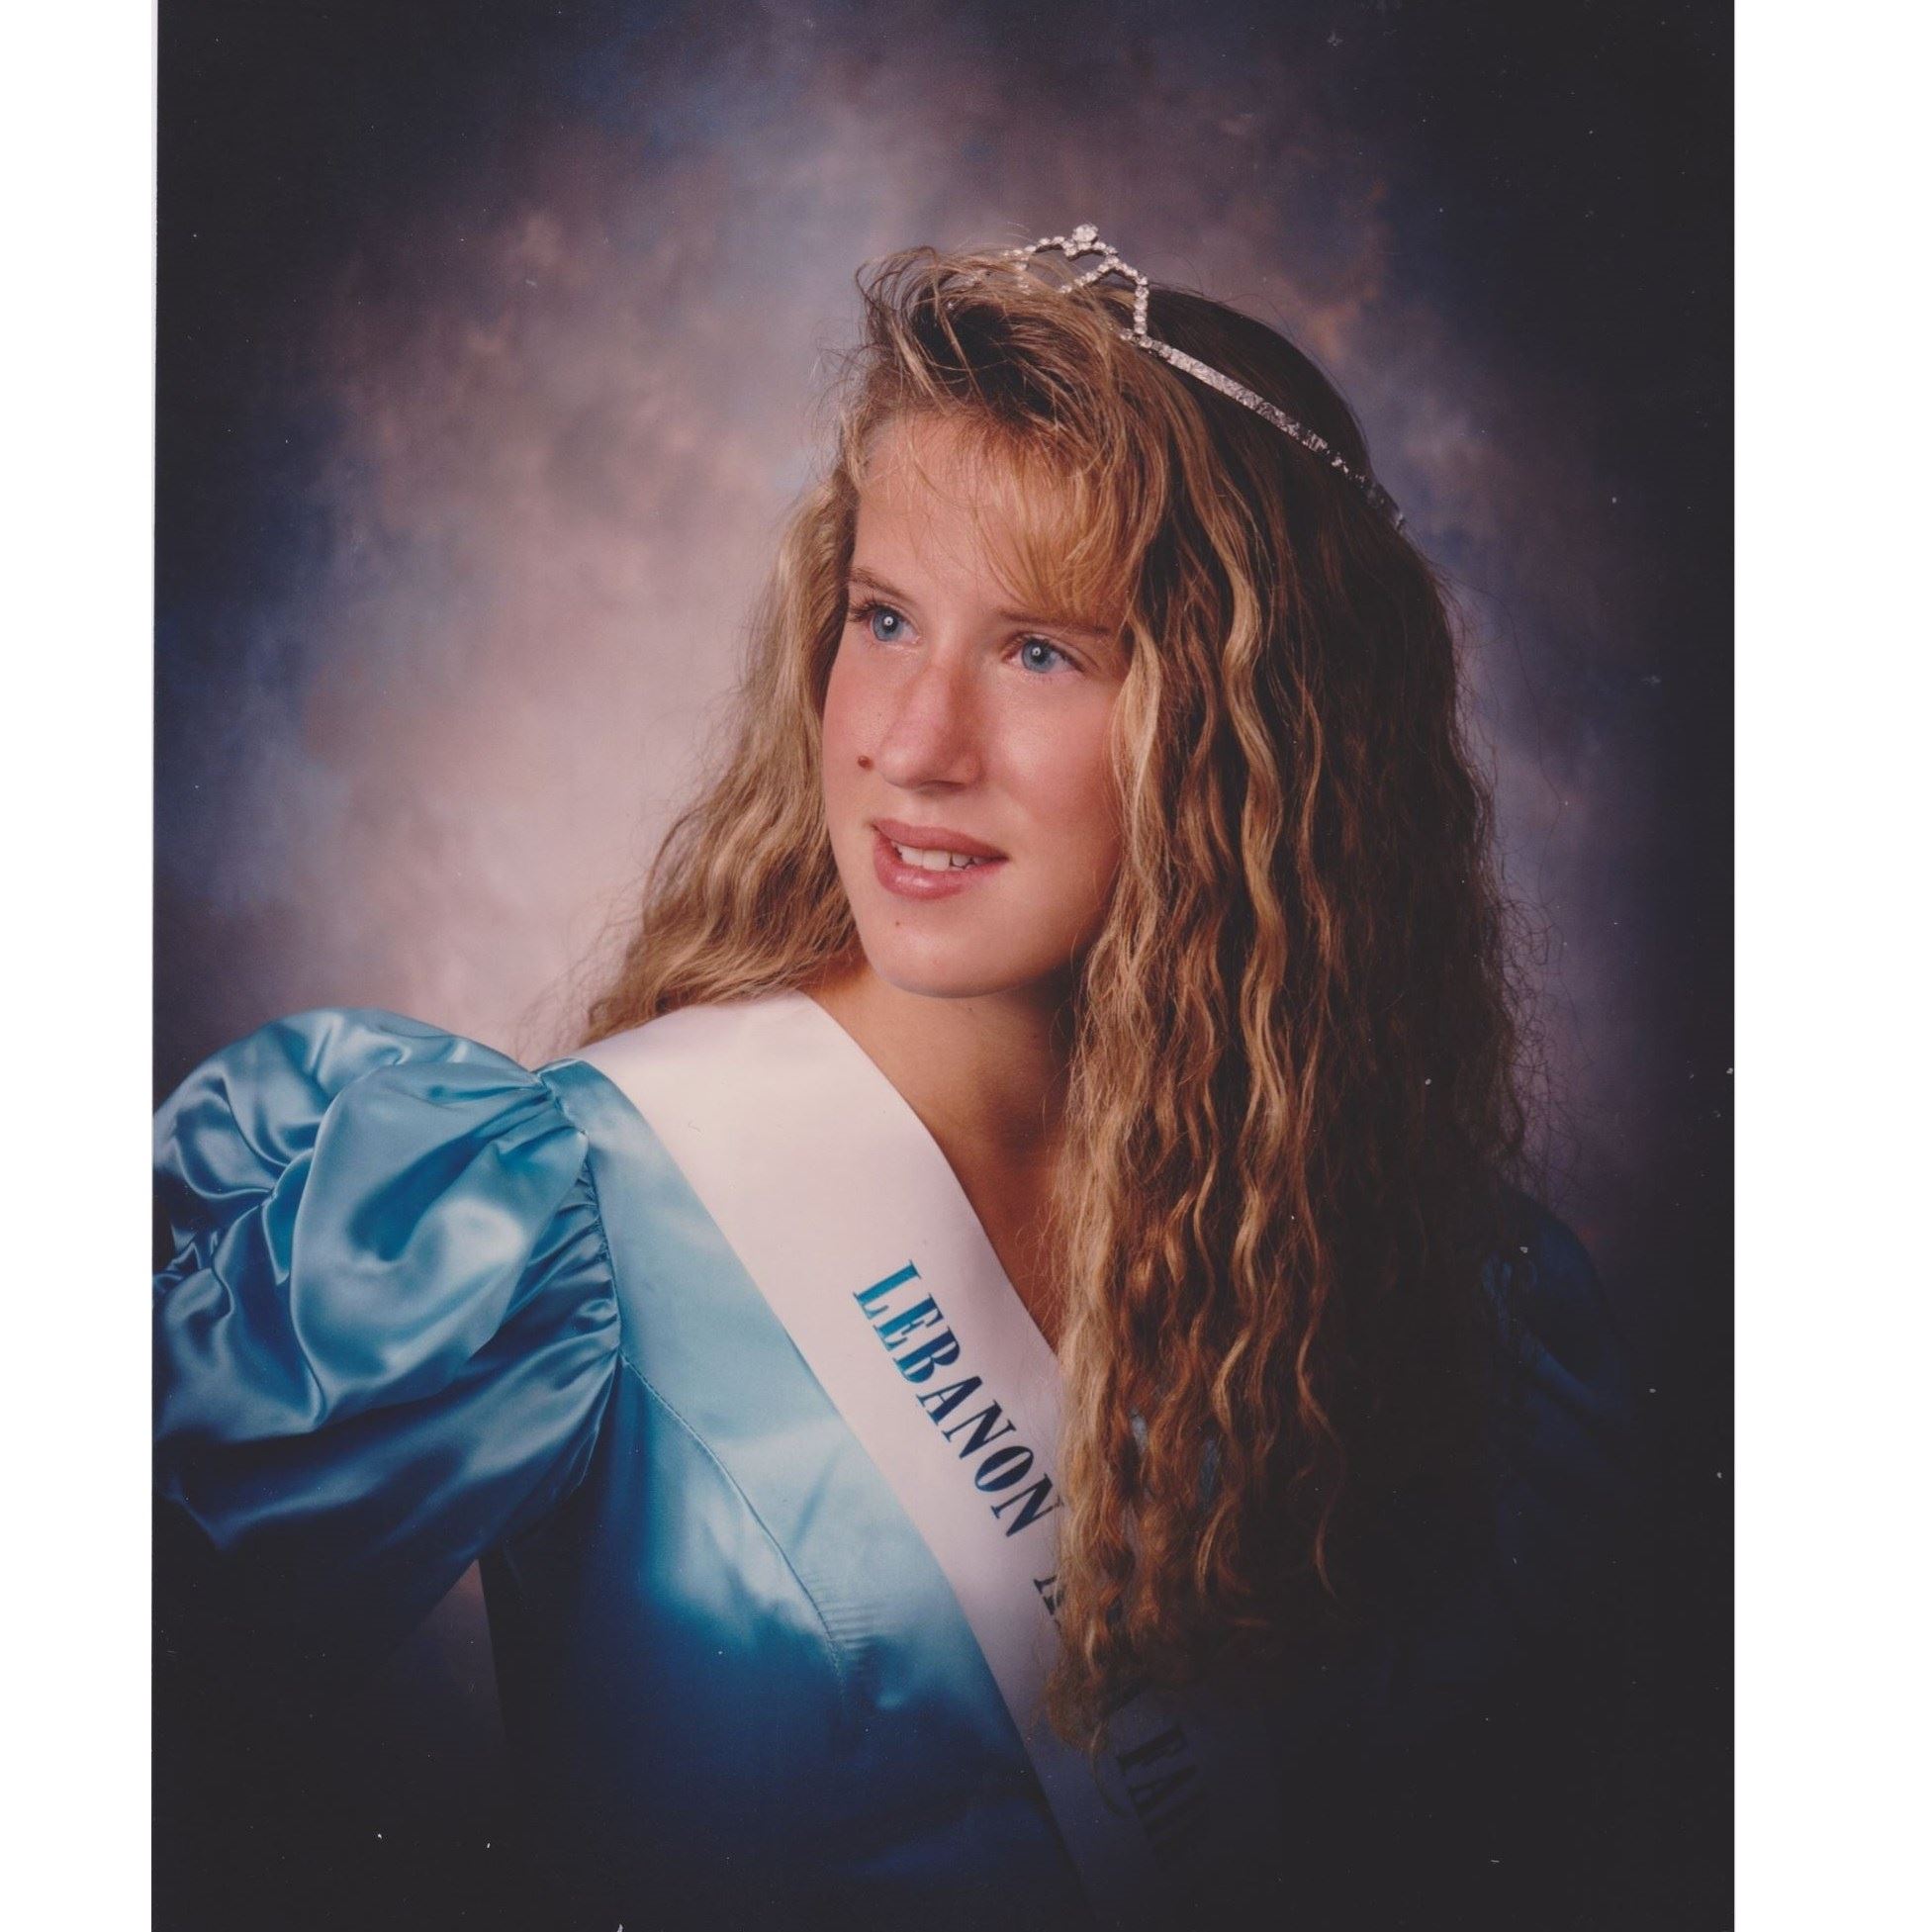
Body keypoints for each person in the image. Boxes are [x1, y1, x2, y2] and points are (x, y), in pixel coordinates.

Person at [154, 228, 1640, 1930]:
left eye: (1040, 652)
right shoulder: (540, 1212)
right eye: (883, 618)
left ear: (1251, 737)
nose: (912, 745)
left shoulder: (1463, 1292)